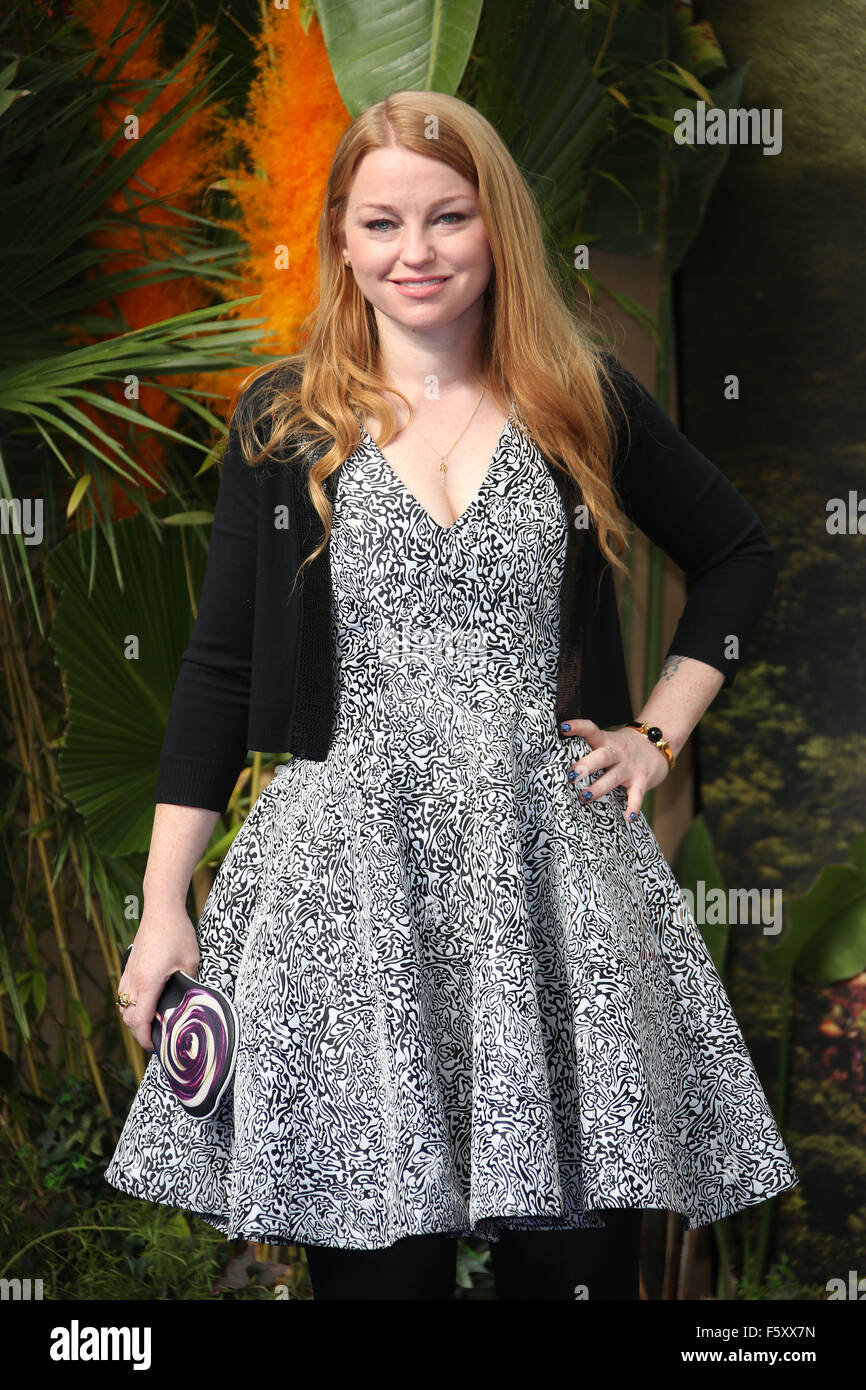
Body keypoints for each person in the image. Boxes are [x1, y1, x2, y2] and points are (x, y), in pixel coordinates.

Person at [104, 89, 798, 1301]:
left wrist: (654, 735)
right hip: (346, 885)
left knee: (572, 1265)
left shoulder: (574, 393)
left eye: (447, 218)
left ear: (497, 229)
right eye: (379, 223)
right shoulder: (283, 419)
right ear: (339, 239)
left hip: (550, 878)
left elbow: (738, 554)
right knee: (378, 1274)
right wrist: (167, 903)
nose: (412, 253)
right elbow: (219, 668)